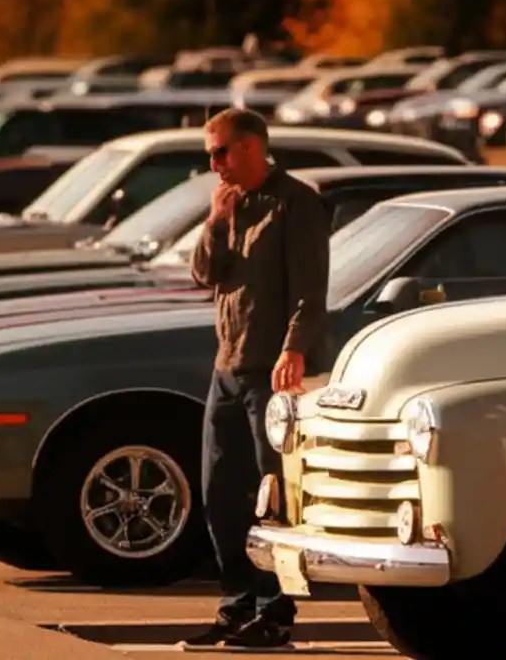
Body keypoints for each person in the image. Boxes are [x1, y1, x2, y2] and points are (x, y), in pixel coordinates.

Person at [181, 108, 330, 649]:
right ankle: (235, 603)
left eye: (221, 152)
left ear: (251, 147)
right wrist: (216, 221)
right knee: (220, 494)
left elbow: (311, 292)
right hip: (227, 367)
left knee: (272, 496)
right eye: (210, 156)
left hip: (270, 372)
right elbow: (203, 273)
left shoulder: (296, 203)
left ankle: (275, 610)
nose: (215, 165)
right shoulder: (229, 204)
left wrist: (294, 348)